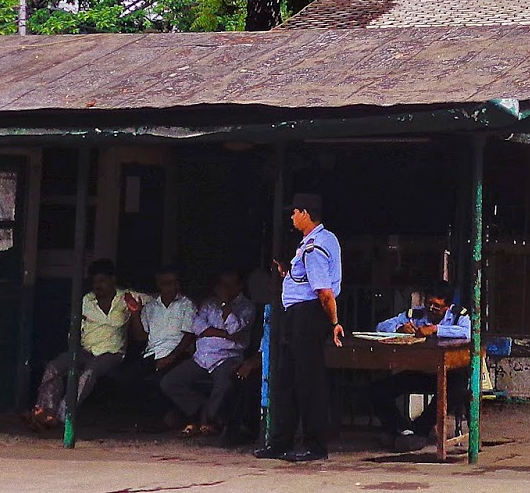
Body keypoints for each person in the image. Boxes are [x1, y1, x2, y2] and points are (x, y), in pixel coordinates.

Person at [254, 193, 342, 463]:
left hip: (307, 315)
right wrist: (287, 273)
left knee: (308, 381)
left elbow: (324, 293)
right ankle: (280, 442)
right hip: (297, 314)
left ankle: (315, 446)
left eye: (294, 212)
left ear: (305, 213)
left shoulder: (315, 247)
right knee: (287, 380)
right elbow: (305, 280)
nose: (292, 217)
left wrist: (334, 323)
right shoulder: (316, 242)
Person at [28, 258, 142, 428]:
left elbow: (156, 300)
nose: (98, 285)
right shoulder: (86, 300)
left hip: (111, 354)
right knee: (54, 366)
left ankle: (62, 415)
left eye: (102, 281)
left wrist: (135, 312)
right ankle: (45, 411)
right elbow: (75, 327)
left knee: (89, 372)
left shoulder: (127, 297)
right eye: (94, 282)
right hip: (85, 350)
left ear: (113, 280)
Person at [367, 282, 471, 453]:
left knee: (452, 391)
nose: (431, 308)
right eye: (429, 303)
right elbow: (381, 327)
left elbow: (467, 332)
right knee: (378, 389)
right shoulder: (415, 313)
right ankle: (400, 430)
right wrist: (399, 328)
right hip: (423, 371)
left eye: (437, 306)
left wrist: (435, 329)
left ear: (447, 306)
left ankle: (420, 430)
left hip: (451, 373)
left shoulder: (459, 315)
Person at [160, 269, 255, 436]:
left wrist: (225, 304)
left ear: (239, 286)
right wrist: (225, 334)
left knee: (224, 385)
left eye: (228, 285)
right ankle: (203, 413)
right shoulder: (209, 303)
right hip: (201, 357)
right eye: (222, 284)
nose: (223, 288)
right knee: (170, 381)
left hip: (227, 357)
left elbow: (235, 329)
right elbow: (197, 327)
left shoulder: (247, 306)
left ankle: (206, 420)